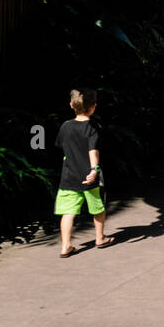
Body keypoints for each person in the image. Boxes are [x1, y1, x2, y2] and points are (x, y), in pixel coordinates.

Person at [54, 87, 113, 257]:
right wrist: (94, 170)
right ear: (93, 107)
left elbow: (60, 146)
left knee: (68, 212)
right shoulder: (93, 127)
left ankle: (66, 246)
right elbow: (93, 151)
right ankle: (100, 238)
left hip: (68, 178)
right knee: (98, 209)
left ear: (71, 105)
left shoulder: (65, 126)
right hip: (89, 178)